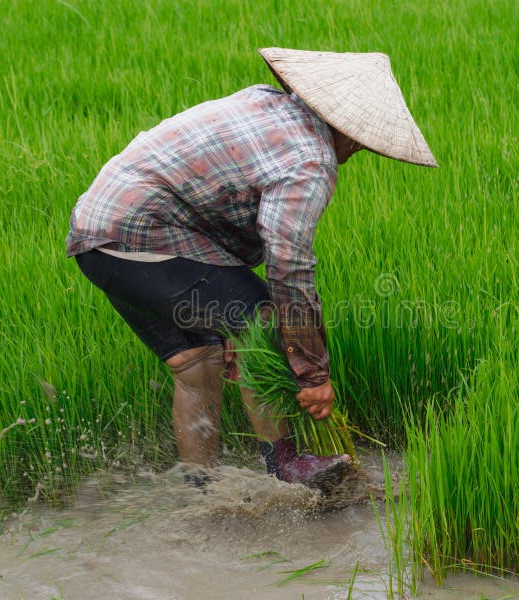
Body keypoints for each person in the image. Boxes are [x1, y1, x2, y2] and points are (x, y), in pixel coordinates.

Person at [65, 47, 436, 491]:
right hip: (146, 235)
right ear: (351, 134)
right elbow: (289, 266)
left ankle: (199, 492)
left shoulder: (265, 100)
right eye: (360, 143)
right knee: (260, 320)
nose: (356, 151)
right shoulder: (311, 161)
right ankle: (286, 466)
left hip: (96, 235)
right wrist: (312, 374)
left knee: (196, 364)